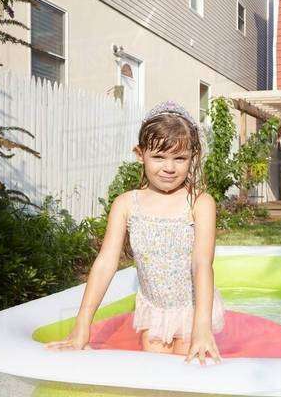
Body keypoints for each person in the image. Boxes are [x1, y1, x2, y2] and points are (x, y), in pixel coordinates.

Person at [44, 101, 226, 366]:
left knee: (188, 381)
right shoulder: (127, 204)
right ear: (140, 154)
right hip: (153, 311)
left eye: (180, 158)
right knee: (152, 380)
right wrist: (82, 325)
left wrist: (202, 325)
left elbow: (201, 264)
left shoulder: (200, 202)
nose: (169, 167)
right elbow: (106, 263)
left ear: (193, 158)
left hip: (192, 310)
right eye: (159, 157)